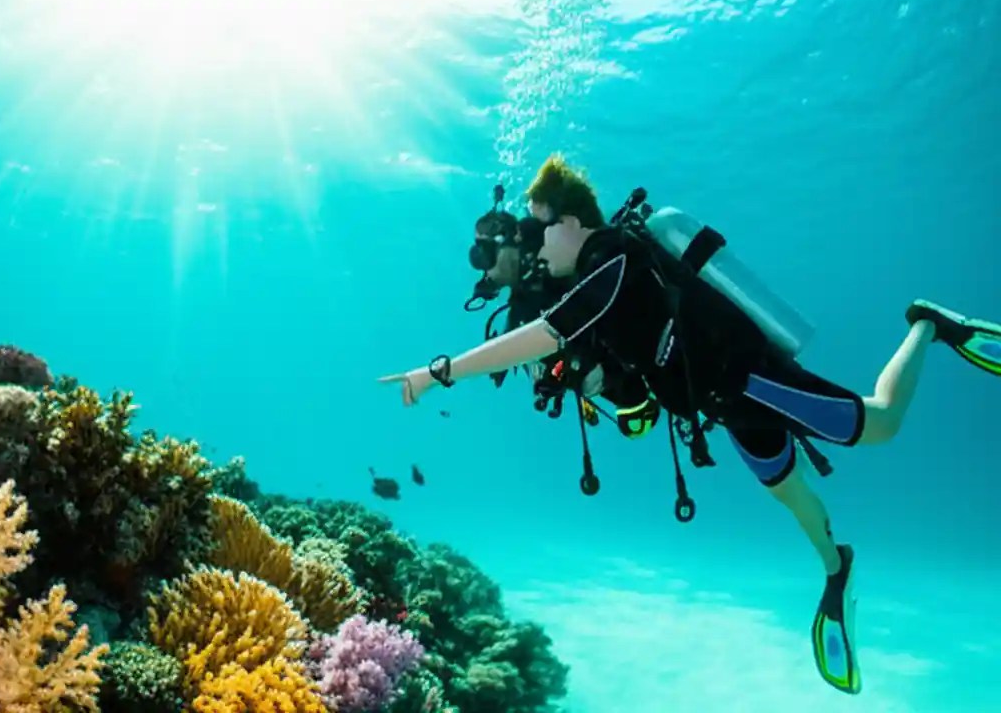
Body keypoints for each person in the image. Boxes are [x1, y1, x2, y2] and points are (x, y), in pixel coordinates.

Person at [380, 153, 1001, 696]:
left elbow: (545, 332)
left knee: (880, 424)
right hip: (722, 405)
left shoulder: (613, 256)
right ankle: (837, 567)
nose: (536, 246)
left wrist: (437, 372)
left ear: (570, 221)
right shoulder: (597, 276)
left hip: (747, 378)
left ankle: (929, 324)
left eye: (540, 231)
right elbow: (617, 376)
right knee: (792, 498)